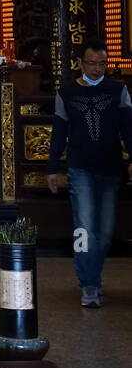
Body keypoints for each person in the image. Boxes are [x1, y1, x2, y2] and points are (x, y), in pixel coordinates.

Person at [46, 41, 132, 308]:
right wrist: (52, 169)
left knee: (105, 232)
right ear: (80, 64)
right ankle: (89, 284)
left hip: (110, 167)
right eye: (92, 63)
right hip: (79, 167)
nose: (97, 69)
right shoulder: (67, 93)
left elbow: (128, 129)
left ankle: (93, 275)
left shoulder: (118, 90)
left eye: (102, 63)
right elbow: (59, 133)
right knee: (84, 228)